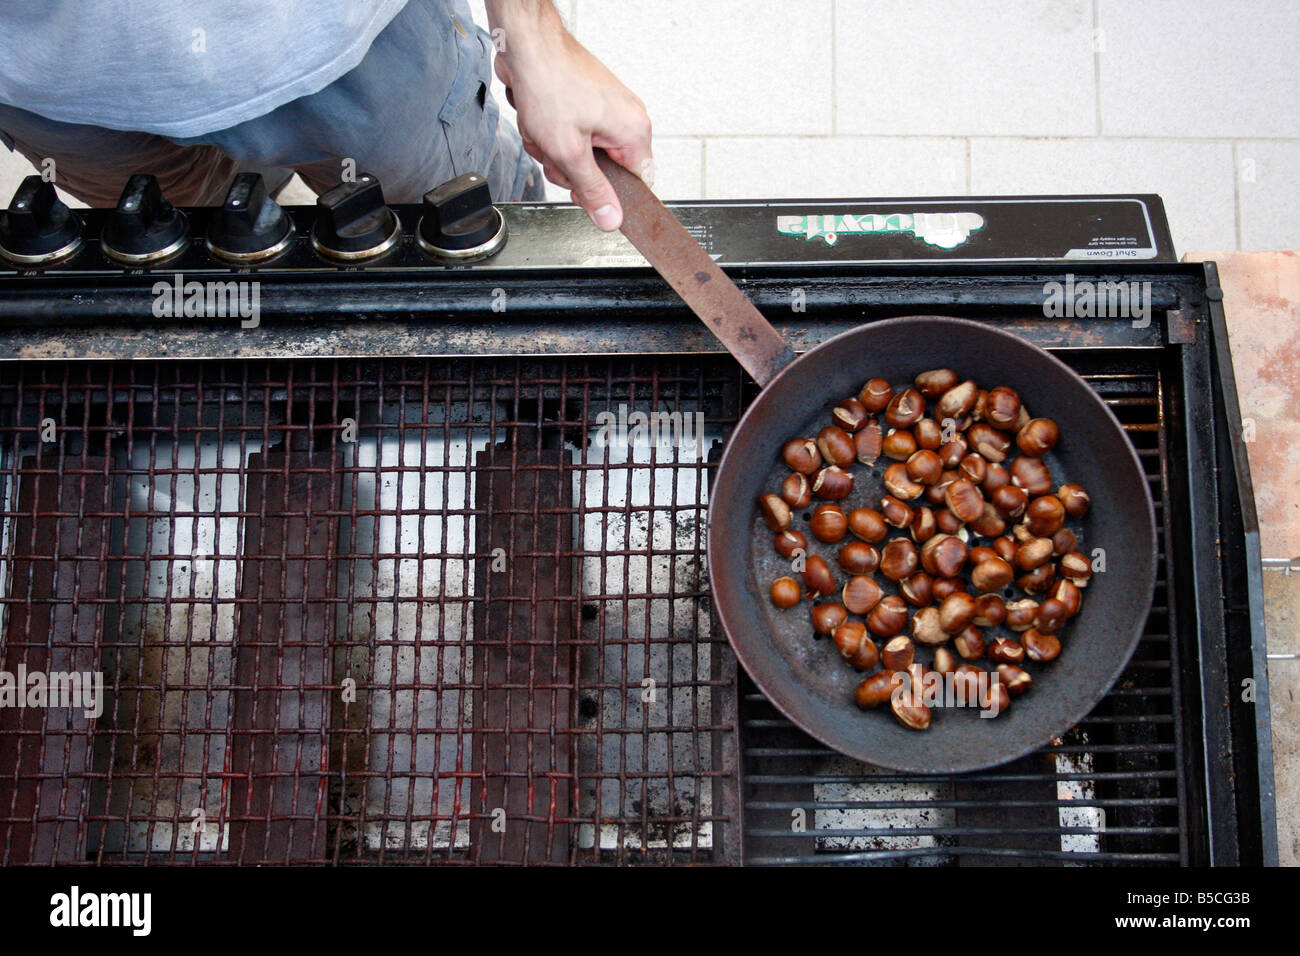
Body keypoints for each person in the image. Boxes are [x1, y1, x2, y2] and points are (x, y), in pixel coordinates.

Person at [0, 0, 652, 231]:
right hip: (58, 87)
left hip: (351, 47)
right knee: (190, 232)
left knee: (459, 215)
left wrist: (531, 31)